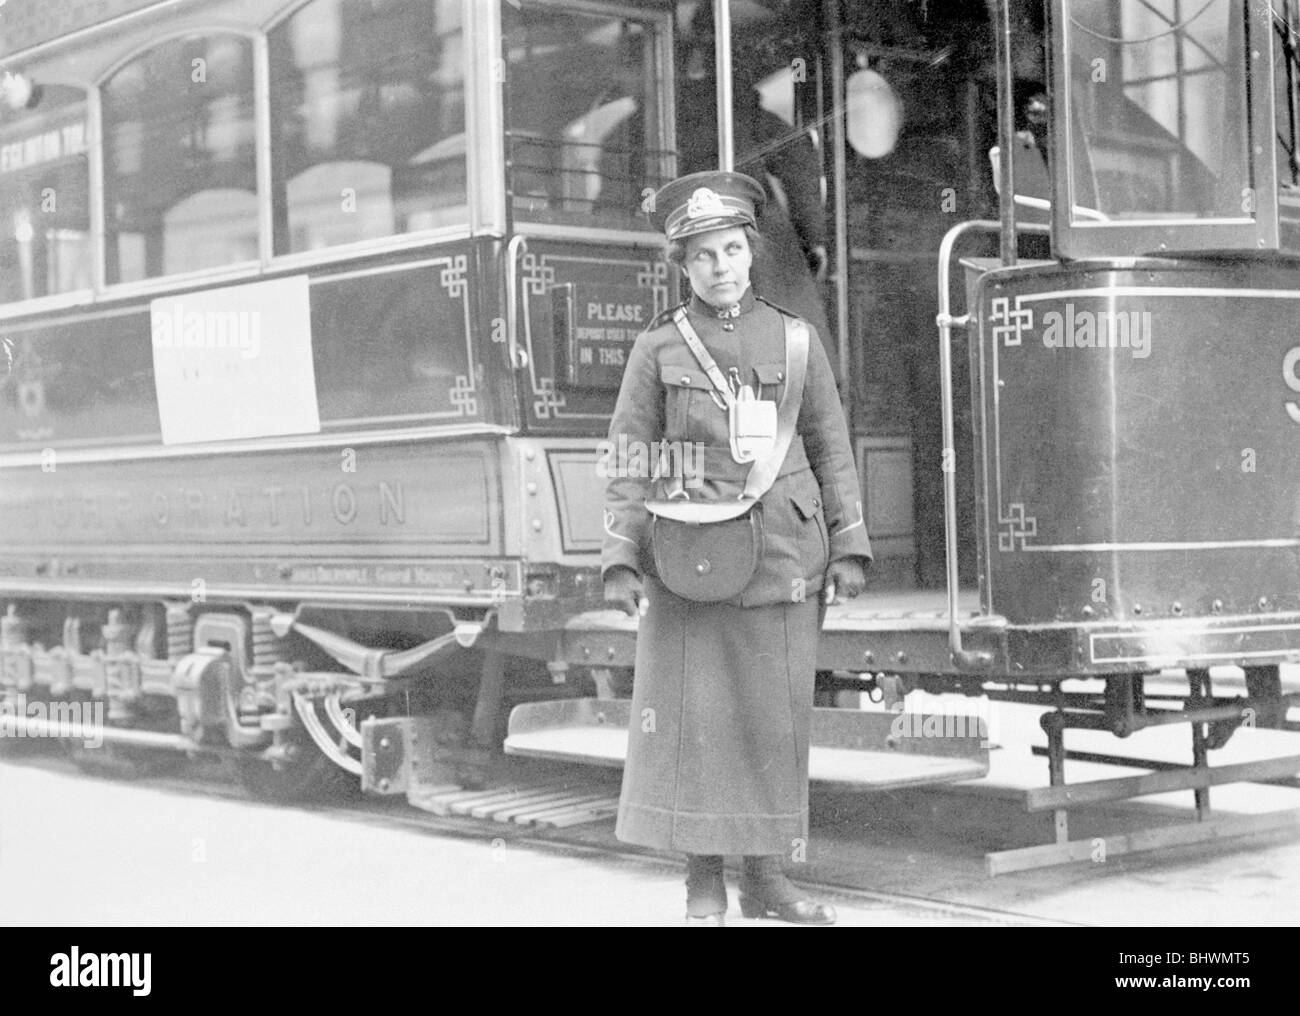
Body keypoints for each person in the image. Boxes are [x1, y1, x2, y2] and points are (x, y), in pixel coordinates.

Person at [601, 170, 871, 925]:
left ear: (752, 253)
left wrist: (848, 545)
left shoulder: (795, 338)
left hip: (783, 557)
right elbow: (629, 452)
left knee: (770, 722)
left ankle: (767, 879)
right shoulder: (657, 348)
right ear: (683, 268)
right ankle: (702, 882)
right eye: (704, 257)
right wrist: (621, 557)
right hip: (689, 562)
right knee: (696, 723)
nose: (722, 268)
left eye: (732, 251)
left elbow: (830, 446)